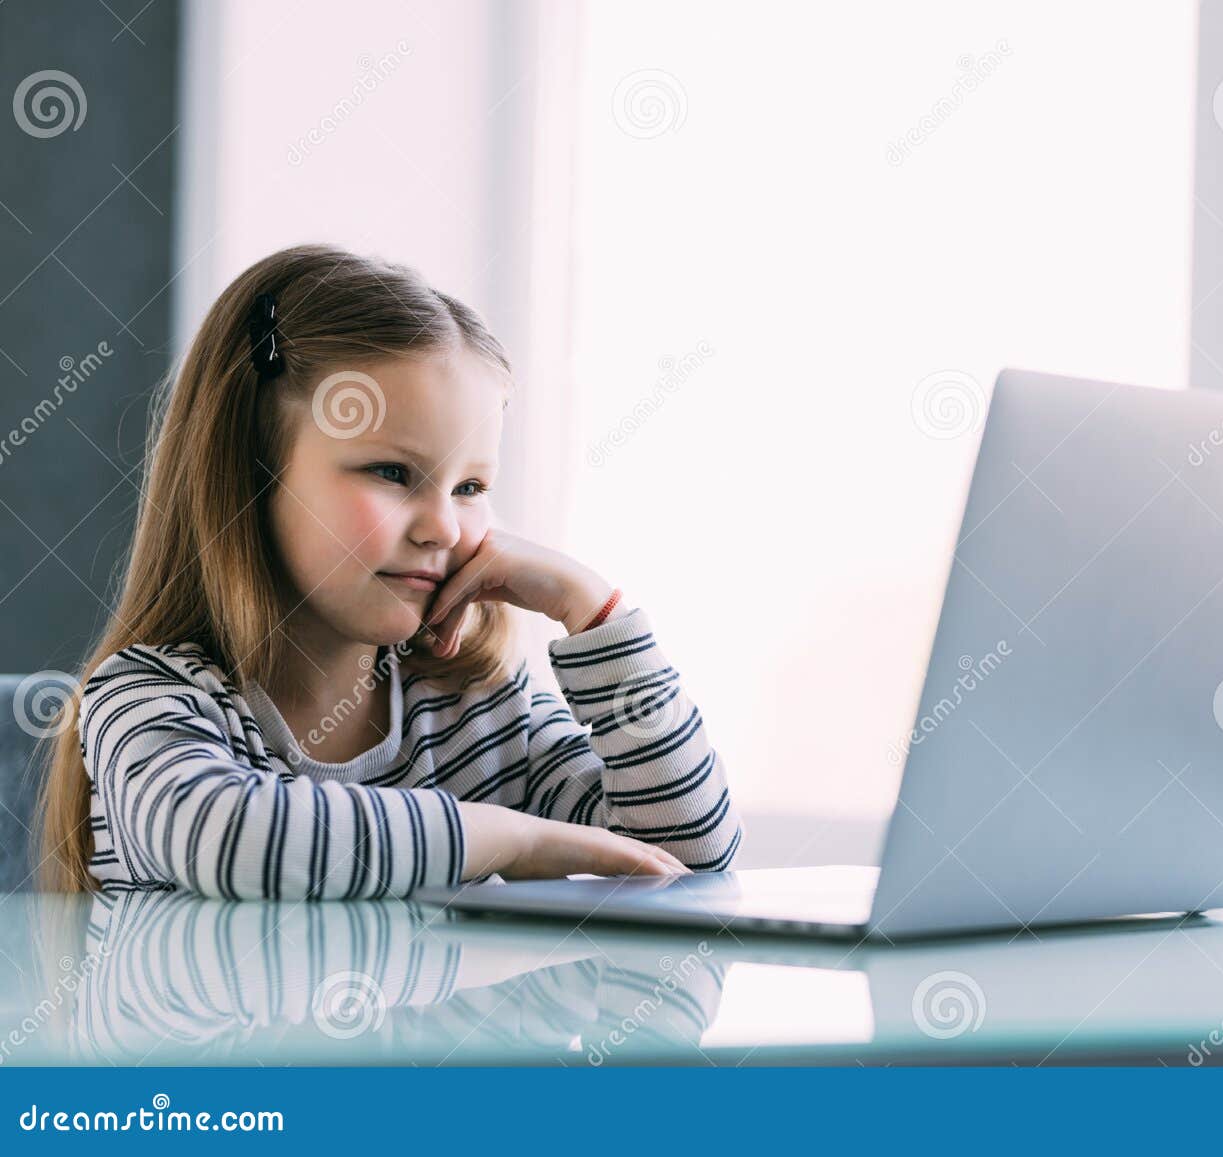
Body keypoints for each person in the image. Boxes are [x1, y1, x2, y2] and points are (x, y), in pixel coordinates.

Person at [33, 243, 741, 899]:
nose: (442, 526)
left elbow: (685, 857)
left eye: (469, 488)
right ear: (251, 476)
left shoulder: (474, 707)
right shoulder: (151, 697)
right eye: (393, 472)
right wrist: (508, 837)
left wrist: (590, 608)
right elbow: (231, 839)